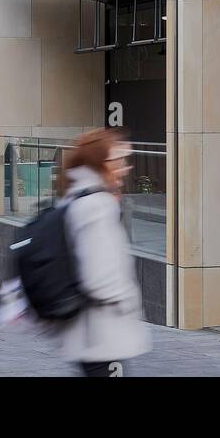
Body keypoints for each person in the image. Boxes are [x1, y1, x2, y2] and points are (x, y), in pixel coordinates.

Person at [57, 128, 151, 377]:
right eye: (119, 161)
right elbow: (99, 279)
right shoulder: (96, 205)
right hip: (102, 334)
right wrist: (125, 300)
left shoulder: (78, 196)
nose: (126, 167)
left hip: (92, 333)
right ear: (102, 163)